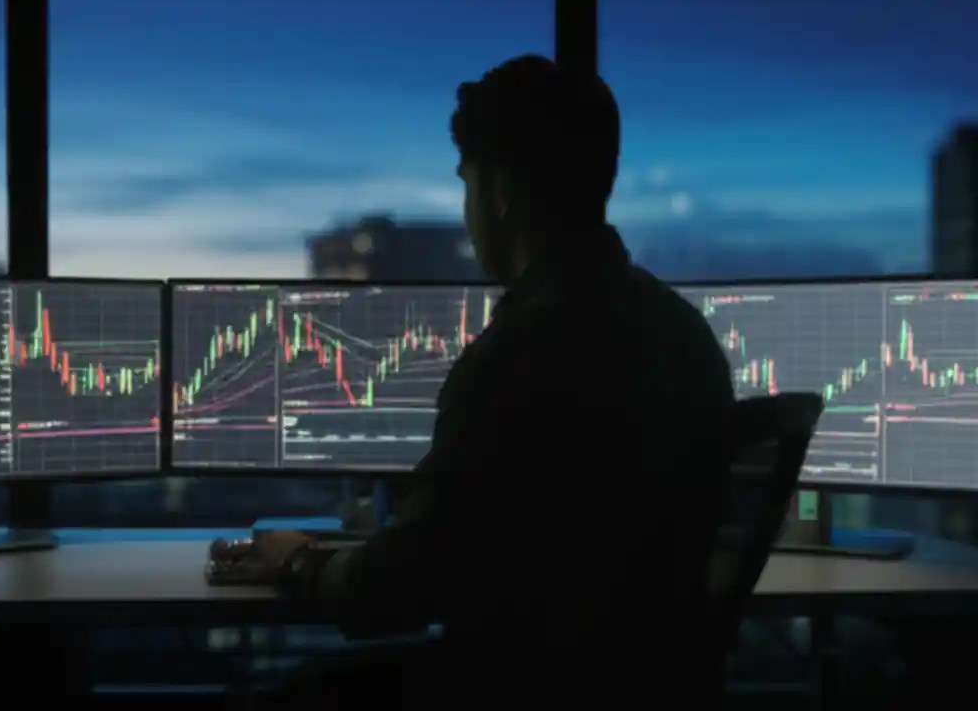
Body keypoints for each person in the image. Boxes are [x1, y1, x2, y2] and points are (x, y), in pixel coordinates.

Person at [255, 55, 735, 704]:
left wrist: (299, 562)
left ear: (501, 192)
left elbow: (395, 592)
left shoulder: (514, 359)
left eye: (467, 183)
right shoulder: (686, 335)